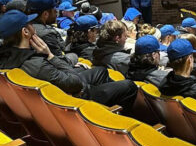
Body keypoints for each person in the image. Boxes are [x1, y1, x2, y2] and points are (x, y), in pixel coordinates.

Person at [0, 10, 137, 115]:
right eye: (30, 24)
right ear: (25, 31)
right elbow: (75, 83)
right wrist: (49, 54)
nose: (33, 26)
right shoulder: (36, 64)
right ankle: (112, 116)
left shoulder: (7, 57)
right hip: (75, 96)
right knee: (129, 86)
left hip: (60, 90)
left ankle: (107, 102)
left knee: (100, 71)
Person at [27, 0, 77, 64]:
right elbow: (61, 62)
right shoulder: (47, 33)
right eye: (54, 11)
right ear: (45, 14)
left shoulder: (23, 26)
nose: (56, 13)